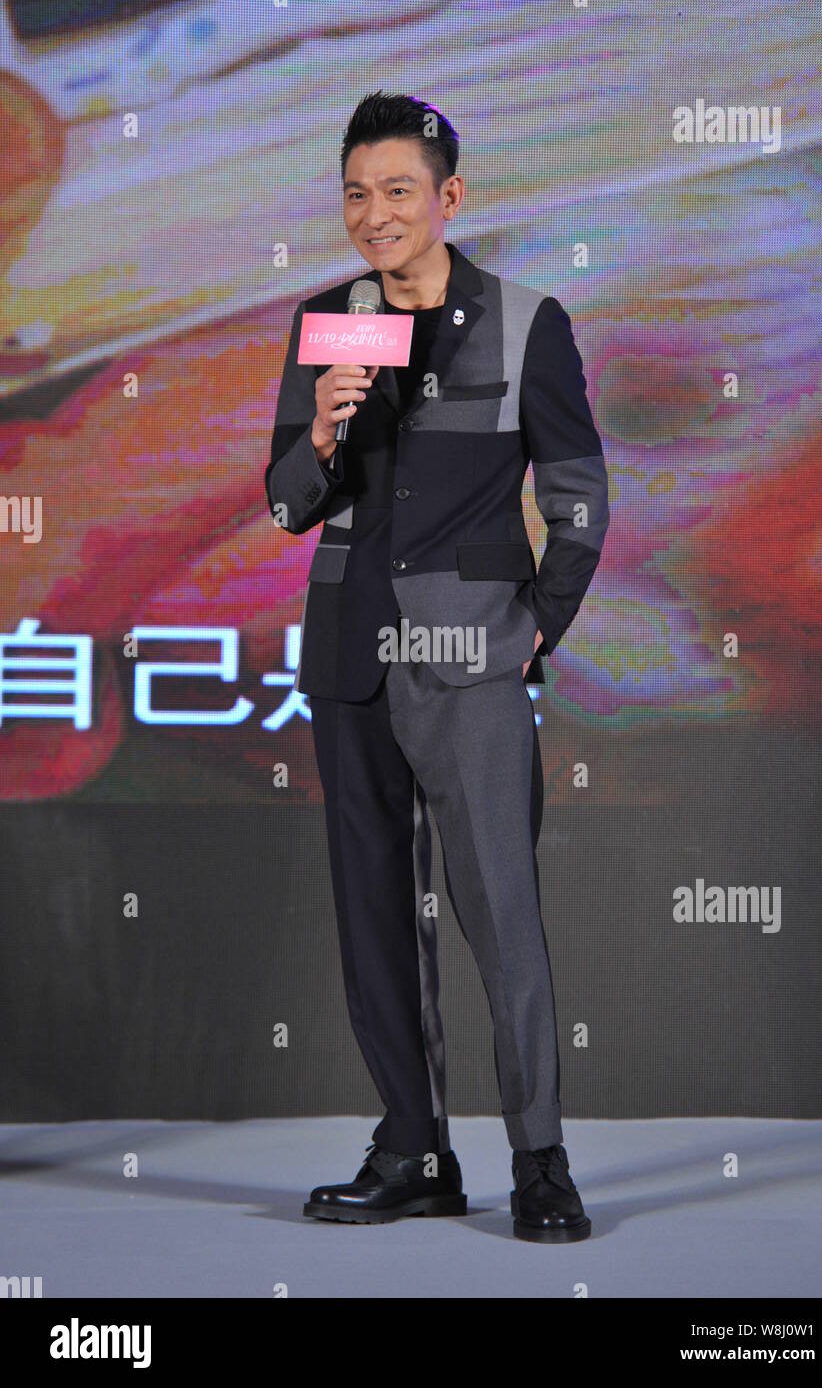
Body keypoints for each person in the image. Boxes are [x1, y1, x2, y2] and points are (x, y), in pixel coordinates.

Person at [266, 91, 609, 1243]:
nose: (374, 214)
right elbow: (283, 503)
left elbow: (577, 500)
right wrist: (318, 436)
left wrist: (535, 628)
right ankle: (411, 1145)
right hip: (352, 652)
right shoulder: (328, 323)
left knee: (498, 906)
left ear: (448, 198)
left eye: (397, 190)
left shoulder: (526, 323)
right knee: (372, 910)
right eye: (356, 194)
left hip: (472, 660)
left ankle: (541, 1159)